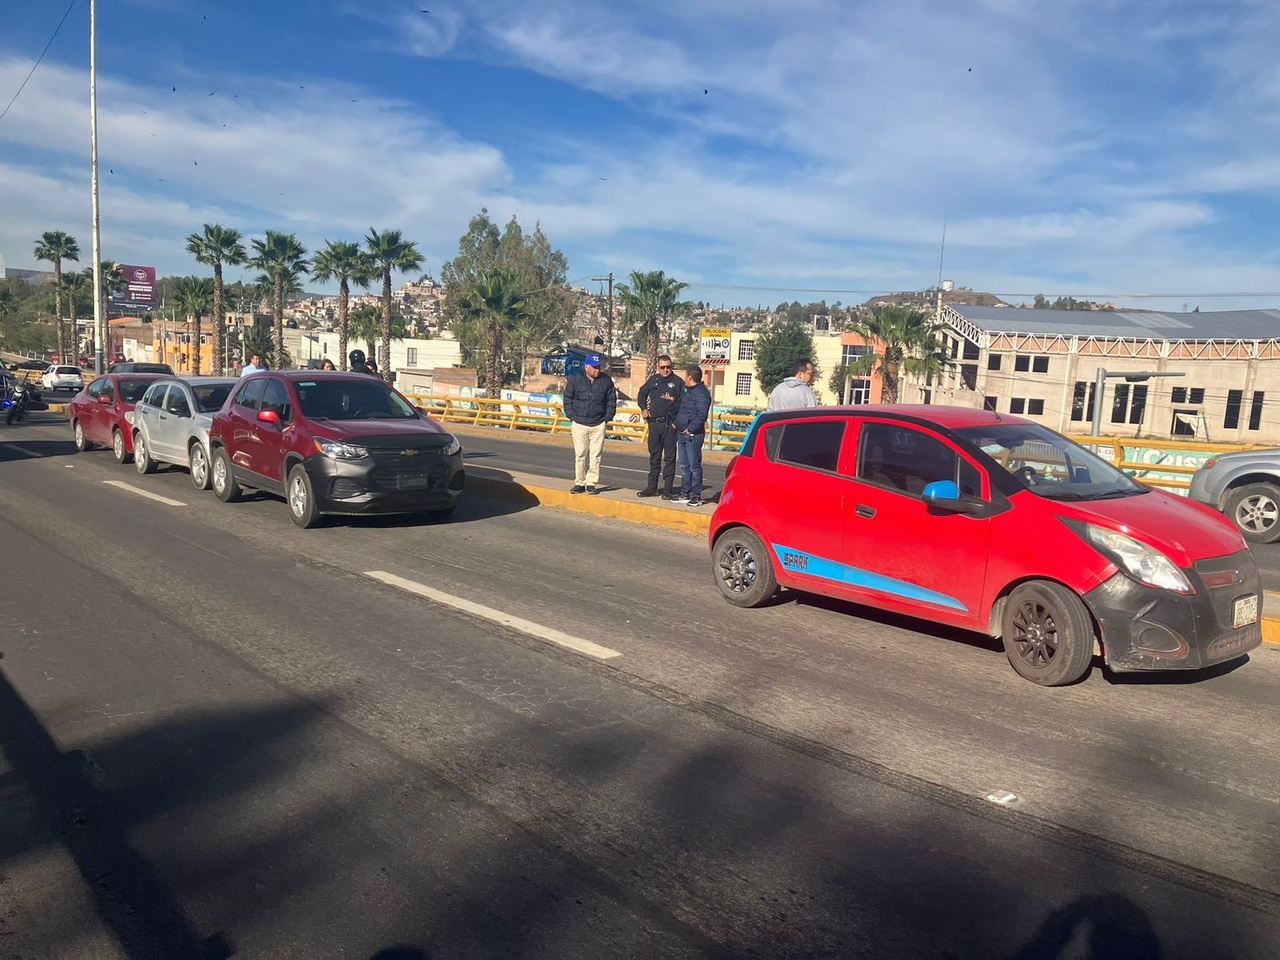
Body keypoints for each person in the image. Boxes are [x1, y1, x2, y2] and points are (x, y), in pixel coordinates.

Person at [562, 352, 617, 495]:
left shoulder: (606, 381)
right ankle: (579, 482)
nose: (597, 370)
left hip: (598, 423)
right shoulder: (575, 379)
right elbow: (568, 398)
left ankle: (591, 482)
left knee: (595, 455)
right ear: (586, 367)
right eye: (594, 367)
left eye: (598, 367)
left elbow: (611, 400)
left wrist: (607, 418)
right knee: (580, 454)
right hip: (579, 423)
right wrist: (571, 416)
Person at [637, 355, 685, 498]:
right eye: (663, 367)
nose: (665, 370)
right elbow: (641, 394)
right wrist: (643, 409)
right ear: (658, 367)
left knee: (669, 459)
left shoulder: (677, 382)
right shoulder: (654, 380)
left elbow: (684, 403)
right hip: (654, 424)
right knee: (654, 457)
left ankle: (668, 490)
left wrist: (673, 400)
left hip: (669, 425)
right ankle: (652, 488)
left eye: (668, 367)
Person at [673, 365, 712, 506]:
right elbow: (683, 410)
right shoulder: (688, 392)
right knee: (684, 465)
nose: (684, 378)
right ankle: (685, 493)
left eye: (685, 375)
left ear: (690, 377)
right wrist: (677, 423)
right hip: (682, 434)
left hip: (692, 435)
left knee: (694, 466)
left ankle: (696, 495)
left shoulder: (701, 394)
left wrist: (691, 429)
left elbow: (702, 415)